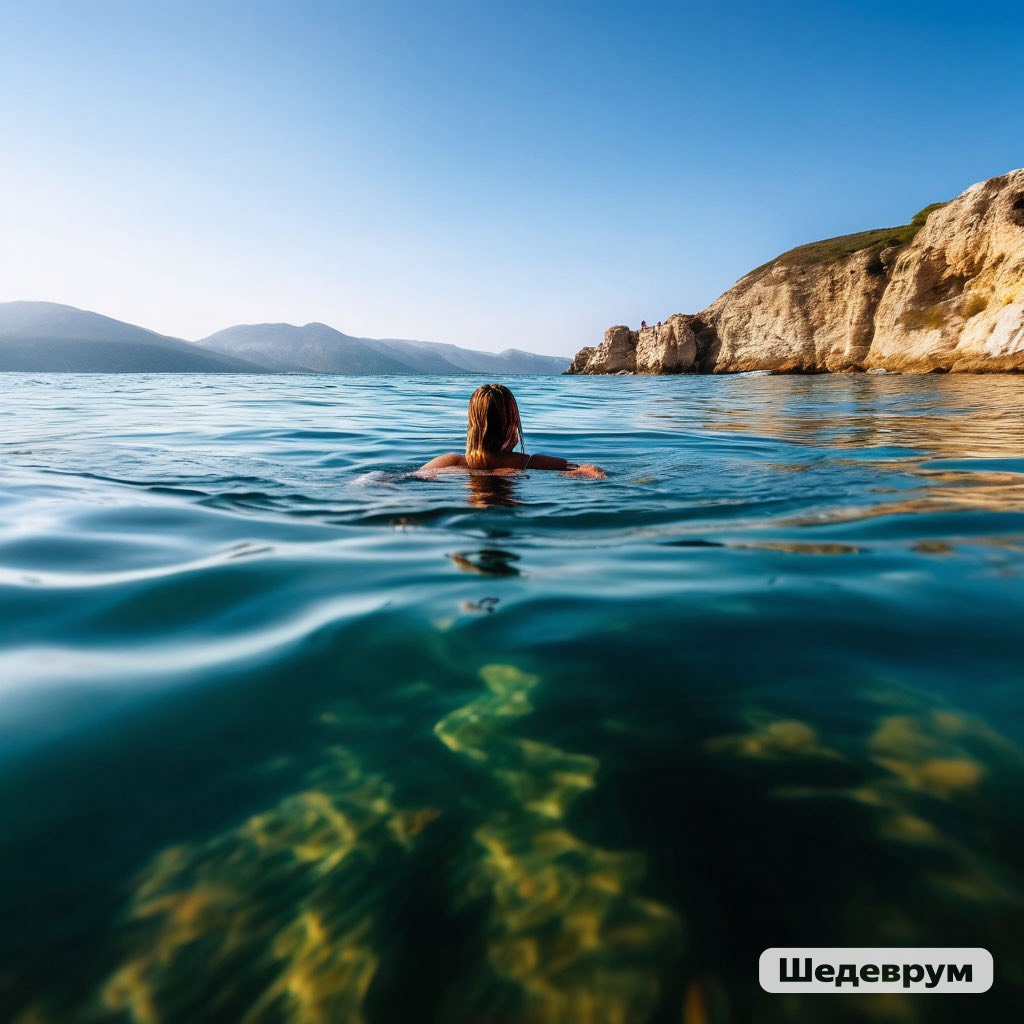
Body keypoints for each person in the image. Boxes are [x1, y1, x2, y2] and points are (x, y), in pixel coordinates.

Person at [418, 383, 605, 477]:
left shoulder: (450, 462)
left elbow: (399, 481)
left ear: (473, 424)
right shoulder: (531, 463)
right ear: (513, 422)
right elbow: (592, 471)